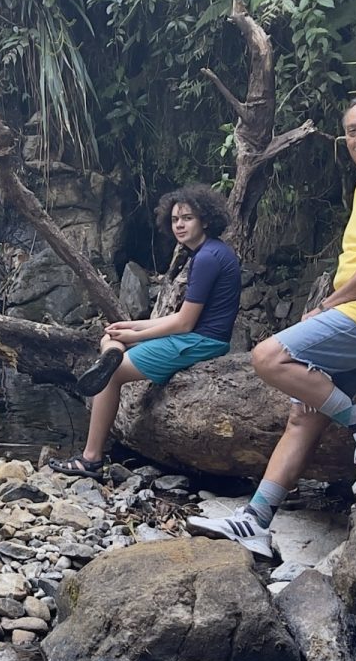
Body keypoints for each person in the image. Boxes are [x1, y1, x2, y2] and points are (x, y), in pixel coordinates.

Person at [188, 91, 356, 558]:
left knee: (268, 357)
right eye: (352, 131)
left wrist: (328, 304)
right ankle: (256, 521)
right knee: (304, 415)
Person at [48, 182, 241, 476]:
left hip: (202, 342)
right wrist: (130, 326)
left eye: (187, 218)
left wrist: (135, 336)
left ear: (205, 220)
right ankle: (110, 354)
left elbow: (184, 322)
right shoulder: (209, 252)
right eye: (175, 219)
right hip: (196, 336)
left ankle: (91, 458)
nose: (179, 224)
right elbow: (182, 318)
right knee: (110, 336)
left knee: (110, 377)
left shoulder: (207, 259)